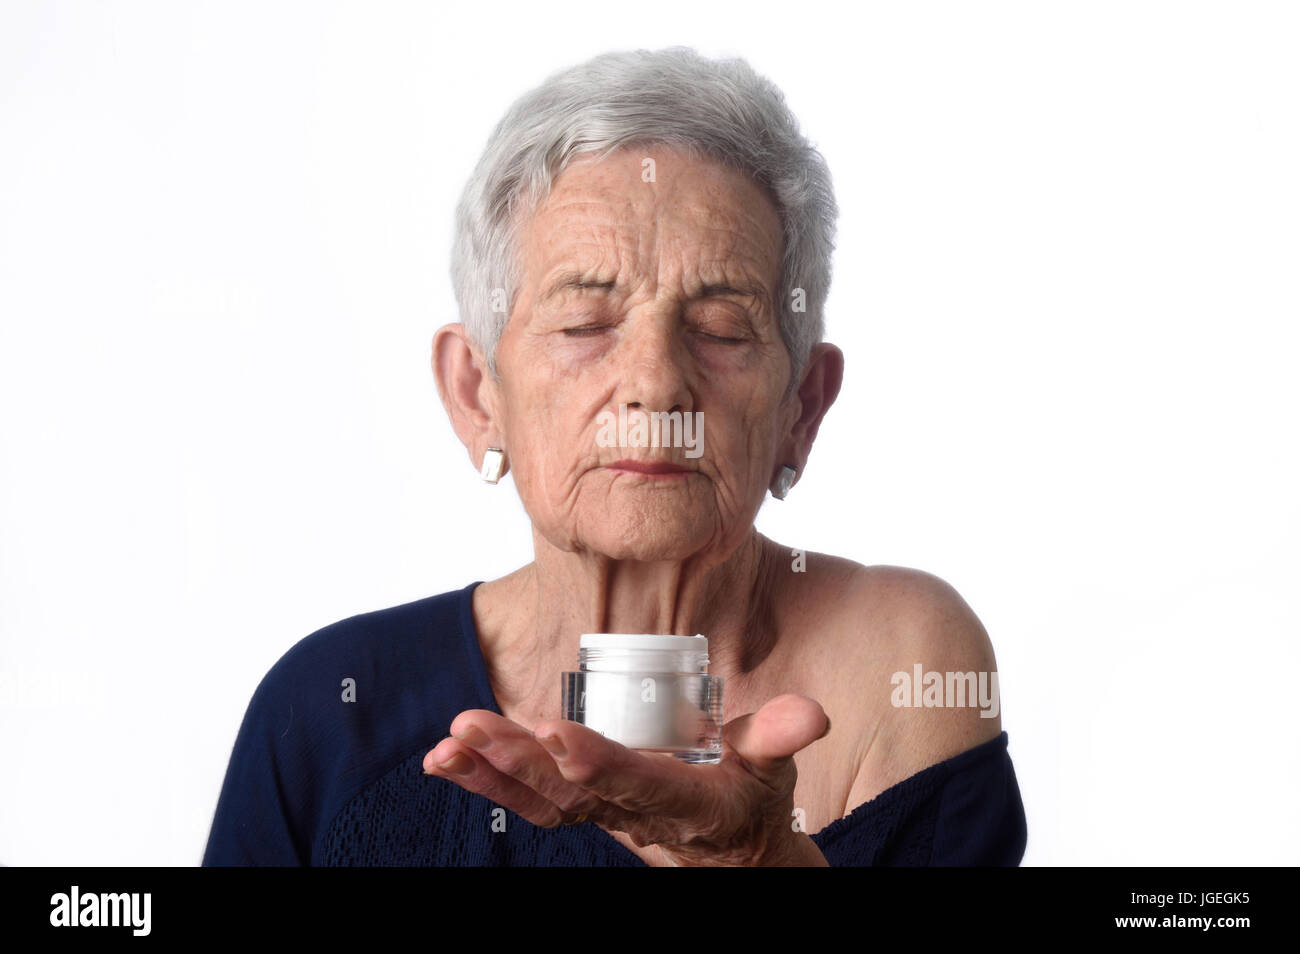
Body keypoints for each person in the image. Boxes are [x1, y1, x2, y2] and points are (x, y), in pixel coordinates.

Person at [202, 46, 1027, 867]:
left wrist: (755, 860)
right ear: (475, 392)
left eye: (721, 329)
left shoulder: (902, 665)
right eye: (585, 324)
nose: (655, 385)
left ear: (800, 407)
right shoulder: (328, 709)